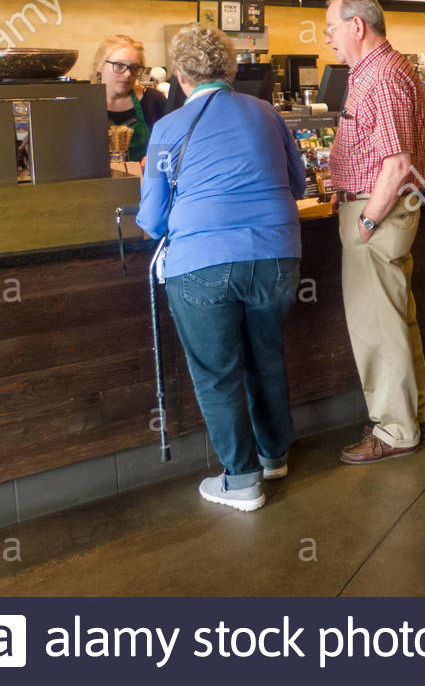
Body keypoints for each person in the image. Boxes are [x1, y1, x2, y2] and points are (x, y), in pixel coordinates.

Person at [137, 25, 306, 512]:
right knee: (266, 356)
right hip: (276, 256)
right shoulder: (267, 113)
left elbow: (152, 221)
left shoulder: (169, 128)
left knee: (217, 372)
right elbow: (298, 185)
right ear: (229, 70)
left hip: (202, 264)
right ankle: (274, 456)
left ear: (180, 75)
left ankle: (242, 480)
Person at [325, 0, 425, 464]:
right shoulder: (382, 70)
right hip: (379, 207)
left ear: (357, 26)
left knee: (377, 326)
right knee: (396, 319)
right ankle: (417, 415)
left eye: (331, 29)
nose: (327, 39)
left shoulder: (382, 76)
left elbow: (397, 163)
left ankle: (394, 430)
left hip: (378, 213)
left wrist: (367, 219)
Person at [91, 34, 166, 161]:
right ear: (100, 65)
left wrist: (155, 160)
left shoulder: (153, 101)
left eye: (135, 68)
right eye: (119, 65)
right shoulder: (83, 104)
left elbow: (169, 149)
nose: (127, 74)